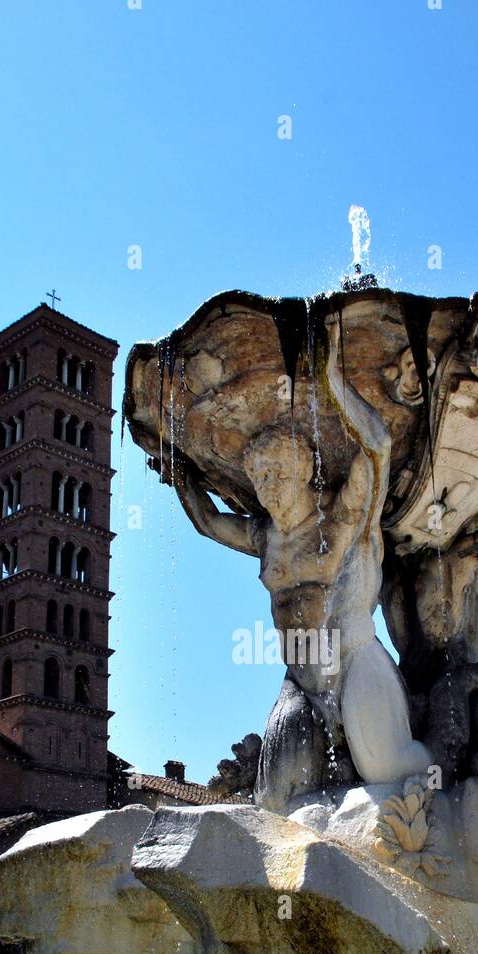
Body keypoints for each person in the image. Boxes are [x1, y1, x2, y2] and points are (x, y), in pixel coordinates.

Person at [173, 315, 430, 808]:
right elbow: (207, 522)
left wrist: (334, 381)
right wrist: (179, 472)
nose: (266, 484)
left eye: (277, 471)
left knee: (384, 767)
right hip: (302, 683)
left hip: (356, 664)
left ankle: (442, 765)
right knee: (272, 798)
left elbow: (377, 448)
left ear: (304, 470)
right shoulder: (264, 537)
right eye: (259, 474)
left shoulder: (344, 518)